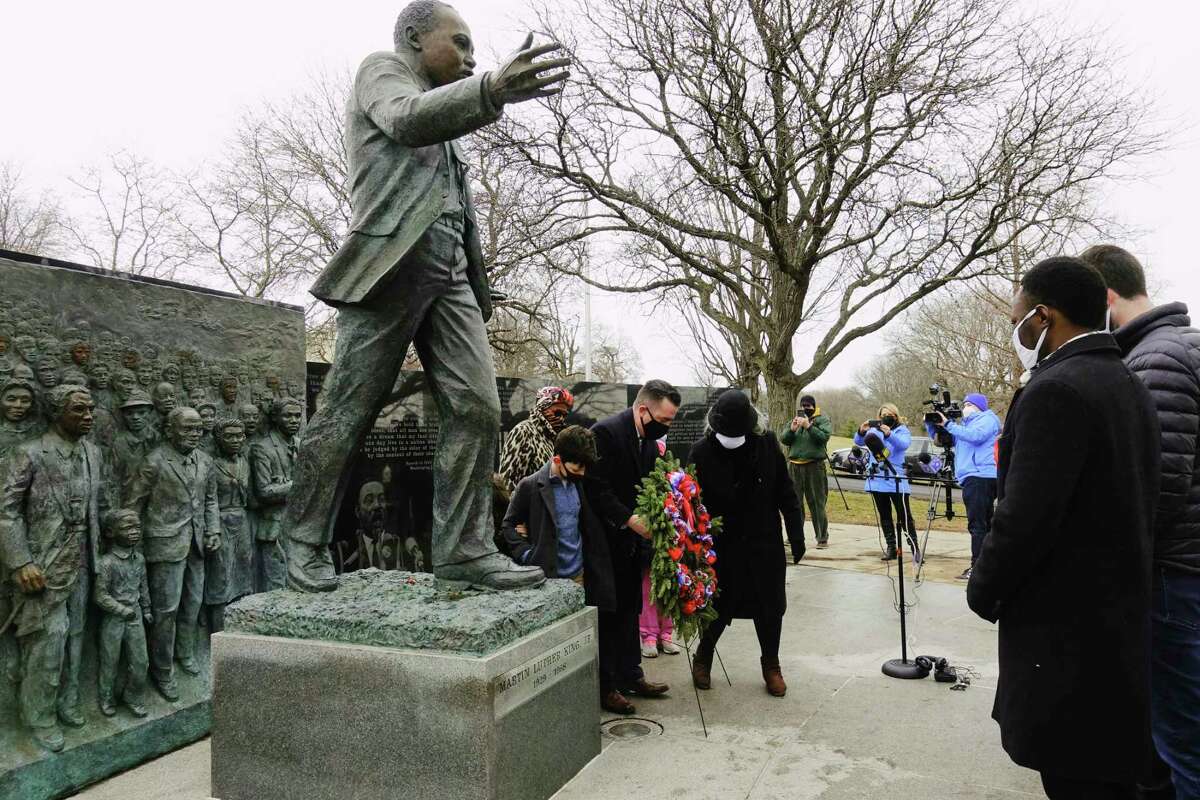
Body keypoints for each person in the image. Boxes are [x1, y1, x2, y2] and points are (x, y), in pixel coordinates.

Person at [279, 1, 569, 593]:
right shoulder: (383, 72)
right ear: (415, 37)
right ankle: (301, 539)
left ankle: (462, 549)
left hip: (451, 278)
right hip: (392, 268)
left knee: (478, 409)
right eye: (459, 43)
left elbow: (456, 208)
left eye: (474, 52)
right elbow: (408, 120)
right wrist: (491, 89)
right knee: (349, 411)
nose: (470, 57)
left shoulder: (448, 125)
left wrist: (476, 286)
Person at [967, 256, 1160, 799]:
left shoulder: (1057, 391)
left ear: (1044, 317)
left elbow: (1024, 518)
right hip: (1115, 629)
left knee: (1077, 780)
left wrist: (983, 588)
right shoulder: (1124, 380)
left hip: (1068, 639)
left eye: (1017, 318)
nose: (1016, 330)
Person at [1086, 243, 1200, 800]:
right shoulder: (1181, 346)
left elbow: (1153, 489)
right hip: (1185, 573)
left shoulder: (1154, 360)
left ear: (1105, 297)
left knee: (1182, 744)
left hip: (1171, 576)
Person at [0, 385, 104, 751]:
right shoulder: (27, 454)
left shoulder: (93, 452)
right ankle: (39, 718)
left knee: (76, 637)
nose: (88, 415)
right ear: (57, 412)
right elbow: (6, 512)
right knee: (48, 641)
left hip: (84, 562)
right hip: (43, 565)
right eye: (79, 410)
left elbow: (97, 508)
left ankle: (69, 702)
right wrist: (21, 561)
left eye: (91, 409)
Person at [688, 390, 803, 697]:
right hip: (722, 547)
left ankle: (771, 666)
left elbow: (785, 491)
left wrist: (796, 533)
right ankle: (703, 656)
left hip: (763, 543)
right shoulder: (701, 452)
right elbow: (689, 504)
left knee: (769, 608)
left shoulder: (766, 445)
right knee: (719, 607)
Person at [500, 426, 618, 691]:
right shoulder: (530, 486)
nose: (583, 474)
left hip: (580, 577)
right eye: (577, 468)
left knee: (583, 643)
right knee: (554, 649)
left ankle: (588, 693)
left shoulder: (581, 483)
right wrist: (528, 555)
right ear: (557, 460)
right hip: (548, 579)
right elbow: (508, 526)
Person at [588, 380, 678, 714]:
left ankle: (631, 674)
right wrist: (629, 520)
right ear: (643, 410)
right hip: (607, 540)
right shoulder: (605, 433)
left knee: (630, 609)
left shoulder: (648, 443)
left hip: (633, 544)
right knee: (610, 616)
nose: (666, 427)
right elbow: (597, 488)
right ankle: (606, 686)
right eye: (664, 420)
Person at [124, 406, 221, 701]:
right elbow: (133, 505)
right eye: (187, 429)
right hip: (165, 545)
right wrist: (131, 548)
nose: (194, 435)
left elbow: (210, 500)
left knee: (192, 605)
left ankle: (185, 654)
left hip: (197, 546)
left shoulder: (205, 460)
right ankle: (162, 670)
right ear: (170, 430)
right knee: (166, 611)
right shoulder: (154, 461)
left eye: (198, 429)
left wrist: (213, 530)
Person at [926, 393, 1001, 580]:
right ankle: (989, 565)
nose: (966, 407)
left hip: (981, 476)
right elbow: (945, 440)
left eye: (969, 404)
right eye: (965, 404)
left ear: (979, 406)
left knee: (978, 525)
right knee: (983, 524)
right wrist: (933, 425)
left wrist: (950, 425)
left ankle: (978, 568)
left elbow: (976, 437)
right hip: (972, 477)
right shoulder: (964, 426)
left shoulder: (988, 419)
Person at [93, 509, 152, 719]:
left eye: (137, 527)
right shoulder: (107, 563)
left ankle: (132, 696)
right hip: (114, 619)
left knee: (141, 662)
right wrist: (121, 610)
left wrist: (146, 609)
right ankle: (106, 697)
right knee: (110, 661)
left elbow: (143, 586)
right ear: (110, 532)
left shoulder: (139, 559)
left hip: (134, 616)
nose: (134, 532)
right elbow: (100, 596)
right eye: (127, 528)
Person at [854, 404, 919, 560]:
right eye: (883, 414)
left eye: (889, 414)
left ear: (895, 416)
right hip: (877, 478)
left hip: (895, 477)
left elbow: (903, 444)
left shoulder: (901, 430)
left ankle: (914, 548)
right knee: (884, 515)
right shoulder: (874, 430)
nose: (886, 417)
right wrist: (861, 430)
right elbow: (860, 441)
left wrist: (889, 434)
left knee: (904, 516)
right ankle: (892, 548)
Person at [780, 394, 833, 554]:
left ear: (814, 406)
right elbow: (784, 439)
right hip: (795, 466)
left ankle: (822, 538)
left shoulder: (822, 420)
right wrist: (792, 429)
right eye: (802, 406)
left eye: (808, 406)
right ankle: (794, 536)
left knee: (817, 503)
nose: (805, 409)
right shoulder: (794, 420)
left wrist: (809, 426)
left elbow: (823, 438)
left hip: (814, 467)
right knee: (794, 504)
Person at [498, 385, 574, 491]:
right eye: (557, 413)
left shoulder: (553, 437)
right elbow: (508, 482)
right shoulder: (524, 431)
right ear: (542, 408)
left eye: (564, 415)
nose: (561, 419)